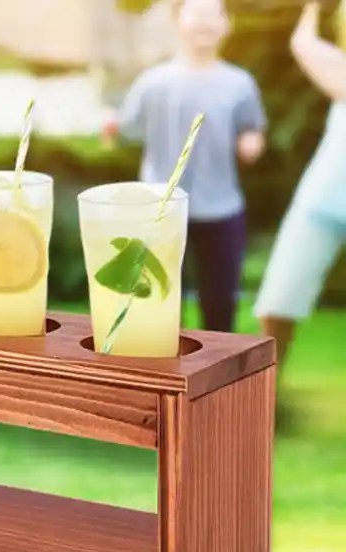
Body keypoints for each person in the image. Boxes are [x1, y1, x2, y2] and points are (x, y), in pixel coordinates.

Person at [102, 0, 266, 334]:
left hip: (221, 210)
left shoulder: (240, 83)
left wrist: (252, 142)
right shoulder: (153, 82)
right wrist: (110, 126)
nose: (205, 23)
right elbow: (125, 128)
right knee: (162, 305)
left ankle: (217, 383)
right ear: (177, 21)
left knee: (220, 308)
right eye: (197, 14)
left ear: (227, 24)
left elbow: (254, 128)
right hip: (161, 210)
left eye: (214, 14)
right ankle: (168, 379)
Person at [254, 1, 346, 380]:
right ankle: (265, 397)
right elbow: (303, 41)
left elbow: (308, 50)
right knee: (278, 301)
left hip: (320, 200)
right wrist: (313, 6)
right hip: (322, 200)